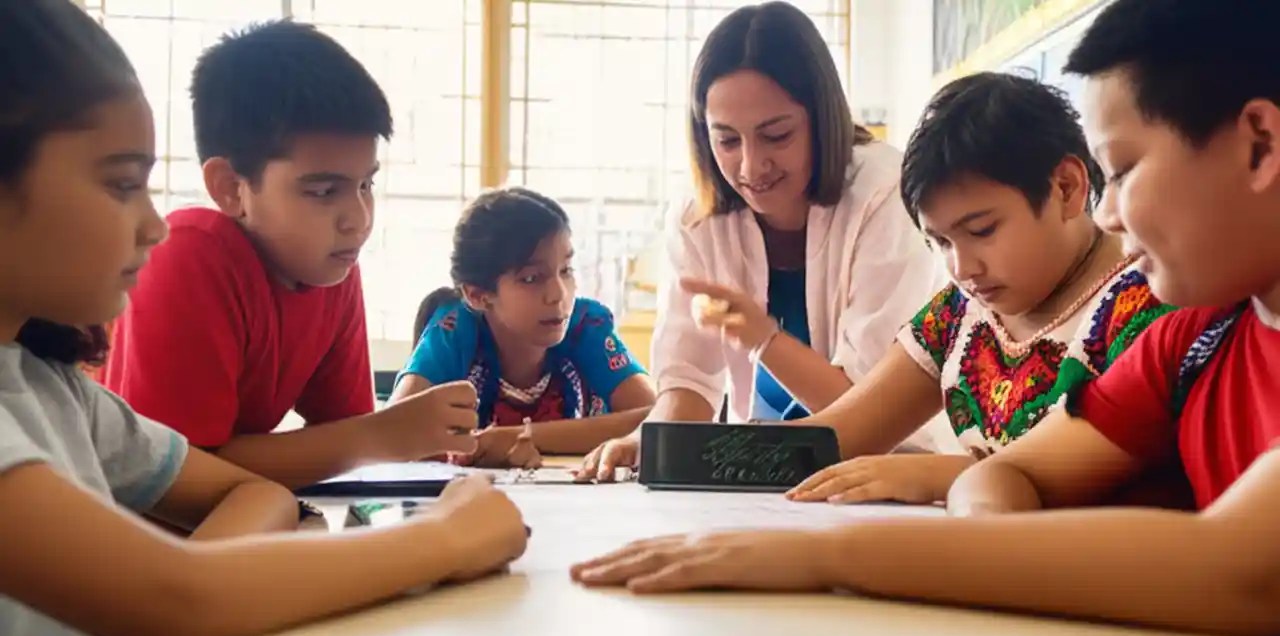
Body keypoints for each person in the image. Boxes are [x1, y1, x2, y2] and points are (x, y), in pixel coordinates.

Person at [570, 0, 1280, 636]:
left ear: (1260, 143)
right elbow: (998, 477)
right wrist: (670, 450)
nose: (1110, 212)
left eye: (1122, 172)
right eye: (941, 241)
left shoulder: (1149, 310)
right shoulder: (1193, 336)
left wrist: (825, 554)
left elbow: (1243, 570)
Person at [0, 3, 526, 636]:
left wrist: (194, 593)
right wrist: (448, 536)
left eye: (366, 183)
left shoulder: (55, 392)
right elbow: (179, 601)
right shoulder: (190, 258)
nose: (153, 223)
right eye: (122, 184)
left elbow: (254, 499)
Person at [578, 1, 949, 480]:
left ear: (822, 118)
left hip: (889, 472)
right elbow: (689, 379)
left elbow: (871, 414)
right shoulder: (698, 216)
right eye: (727, 141)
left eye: (776, 135)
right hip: (760, 477)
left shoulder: (885, 194)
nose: (751, 168)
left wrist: (763, 338)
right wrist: (650, 440)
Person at [102, 20, 473, 486]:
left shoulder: (328, 267)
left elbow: (341, 432)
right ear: (231, 188)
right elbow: (171, 478)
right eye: (322, 191)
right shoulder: (189, 254)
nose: (357, 218)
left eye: (366, 184)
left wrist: (382, 436)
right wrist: (381, 436)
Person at [786, 72, 1173, 505]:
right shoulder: (962, 309)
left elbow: (1085, 480)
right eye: (941, 242)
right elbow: (838, 434)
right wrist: (705, 452)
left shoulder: (1153, 298)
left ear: (1066, 187)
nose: (962, 267)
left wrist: (936, 474)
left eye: (982, 230)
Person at [393, 188, 656, 466]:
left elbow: (656, 419)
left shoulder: (584, 327)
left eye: (565, 270)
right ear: (478, 295)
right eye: (532, 278)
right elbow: (394, 429)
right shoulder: (454, 329)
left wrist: (523, 436)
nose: (558, 294)